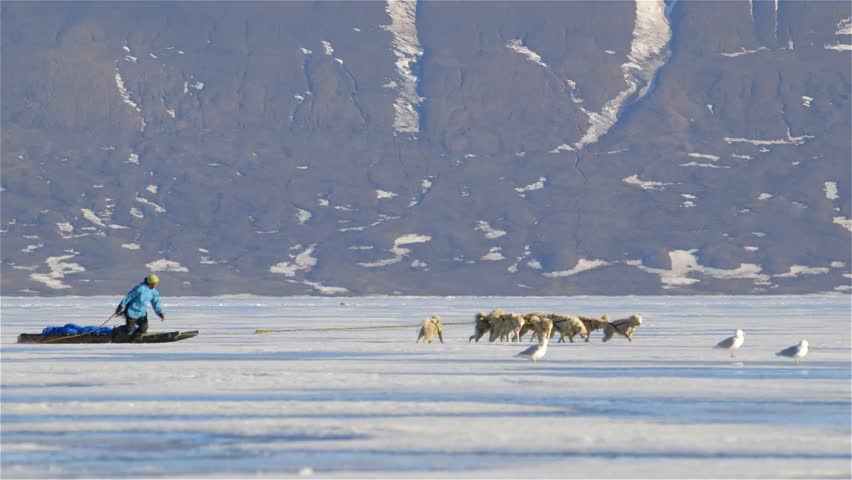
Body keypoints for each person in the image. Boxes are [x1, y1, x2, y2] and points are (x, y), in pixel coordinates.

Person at [114, 274, 165, 342]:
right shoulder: (140, 288)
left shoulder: (154, 292)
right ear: (150, 282)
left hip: (142, 313)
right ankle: (116, 331)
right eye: (154, 283)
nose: (155, 285)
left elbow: (156, 303)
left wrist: (160, 313)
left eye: (156, 283)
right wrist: (121, 306)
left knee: (144, 327)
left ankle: (133, 339)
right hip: (131, 312)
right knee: (129, 329)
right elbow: (128, 297)